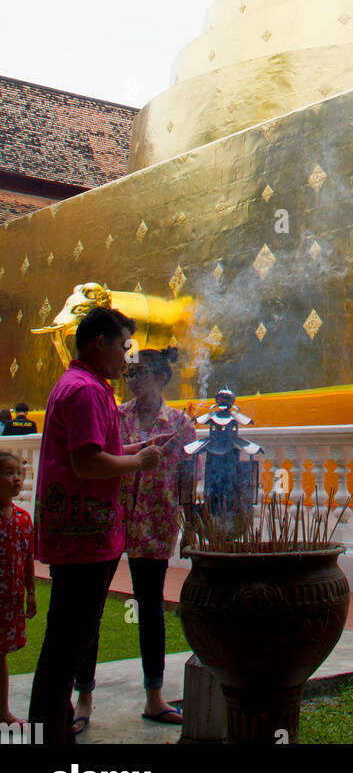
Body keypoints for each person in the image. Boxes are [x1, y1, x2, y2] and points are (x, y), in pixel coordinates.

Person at [27, 306, 162, 743]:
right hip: (81, 533)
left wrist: (138, 446)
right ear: (98, 343)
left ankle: (55, 724)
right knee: (67, 644)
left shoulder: (89, 386)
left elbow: (101, 448)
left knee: (71, 639)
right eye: (123, 347)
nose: (128, 357)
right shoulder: (84, 390)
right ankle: (49, 732)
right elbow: (87, 463)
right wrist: (138, 461)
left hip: (88, 533)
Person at [73, 346, 196, 729]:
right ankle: (84, 696)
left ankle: (155, 695)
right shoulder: (114, 415)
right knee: (90, 605)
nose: (132, 381)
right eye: (129, 374)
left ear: (161, 377)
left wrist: (191, 521)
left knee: (151, 607)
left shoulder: (179, 424)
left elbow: (188, 478)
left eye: (140, 374)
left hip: (155, 520)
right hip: (109, 517)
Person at [0, 451, 36, 726]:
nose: (16, 478)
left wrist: (32, 593)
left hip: (10, 600)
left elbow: (27, 560)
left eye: (19, 473)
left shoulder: (23, 518)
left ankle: (3, 712)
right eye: (8, 472)